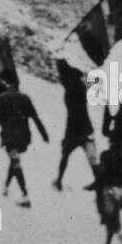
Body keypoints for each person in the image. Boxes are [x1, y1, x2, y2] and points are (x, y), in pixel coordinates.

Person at [0, 70, 49, 208]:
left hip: (9, 136)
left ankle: (25, 195)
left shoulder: (3, 98)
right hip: (23, 137)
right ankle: (6, 186)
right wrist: (43, 133)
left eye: (3, 82)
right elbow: (35, 117)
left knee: (15, 163)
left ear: (7, 82)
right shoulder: (25, 98)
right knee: (14, 161)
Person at [52, 59, 98, 189]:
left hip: (73, 129)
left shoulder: (70, 89)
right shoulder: (80, 88)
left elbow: (73, 115)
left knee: (65, 154)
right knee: (92, 159)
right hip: (86, 128)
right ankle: (99, 182)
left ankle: (59, 181)